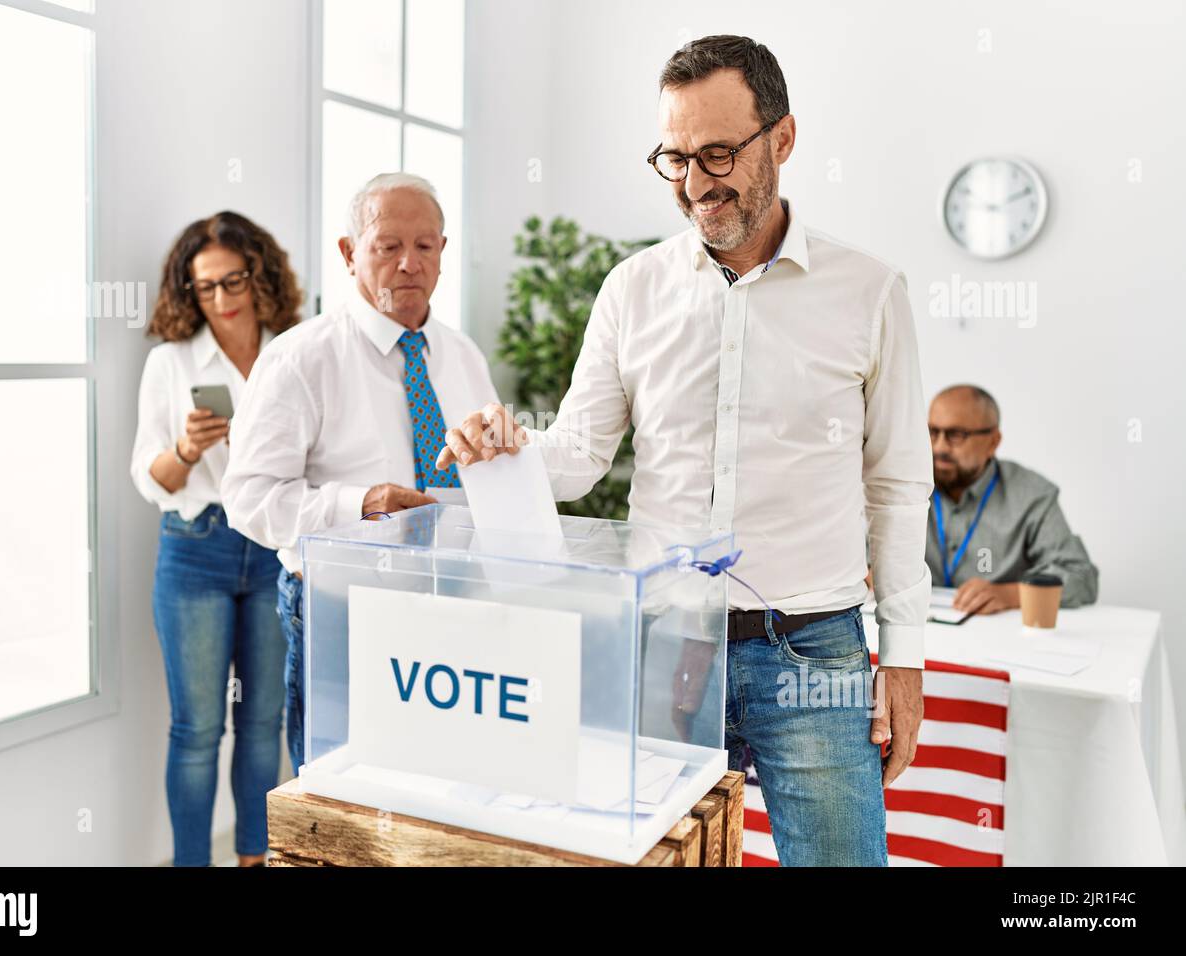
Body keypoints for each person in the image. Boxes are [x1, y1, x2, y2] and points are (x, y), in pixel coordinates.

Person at [438, 35, 932, 866]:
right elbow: (582, 453)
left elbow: (896, 483)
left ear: (782, 139)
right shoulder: (632, 289)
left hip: (812, 653)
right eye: (675, 159)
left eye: (717, 153)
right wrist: (505, 450)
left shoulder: (869, 292)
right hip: (663, 643)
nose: (698, 184)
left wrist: (907, 658)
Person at [222, 173, 503, 775]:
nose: (408, 263)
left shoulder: (462, 356)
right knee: (339, 796)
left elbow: (483, 474)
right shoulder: (299, 359)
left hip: (449, 604)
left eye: (425, 246)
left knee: (437, 785)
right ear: (350, 253)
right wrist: (360, 503)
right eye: (387, 246)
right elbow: (247, 498)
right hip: (341, 609)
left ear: (443, 254)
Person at [130, 211, 301, 866]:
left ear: (260, 275)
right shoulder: (171, 364)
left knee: (262, 724)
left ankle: (255, 859)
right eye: (207, 288)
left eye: (235, 281)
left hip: (272, 549)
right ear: (189, 292)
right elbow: (153, 478)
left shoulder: (295, 348)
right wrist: (186, 445)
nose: (224, 300)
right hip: (196, 547)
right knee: (197, 729)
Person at [927, 384, 1098, 614]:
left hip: (1000, 640)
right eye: (932, 432)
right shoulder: (899, 486)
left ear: (993, 441)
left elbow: (1082, 578)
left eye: (956, 435)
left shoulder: (1032, 495)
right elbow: (867, 560)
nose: (939, 447)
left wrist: (1010, 594)